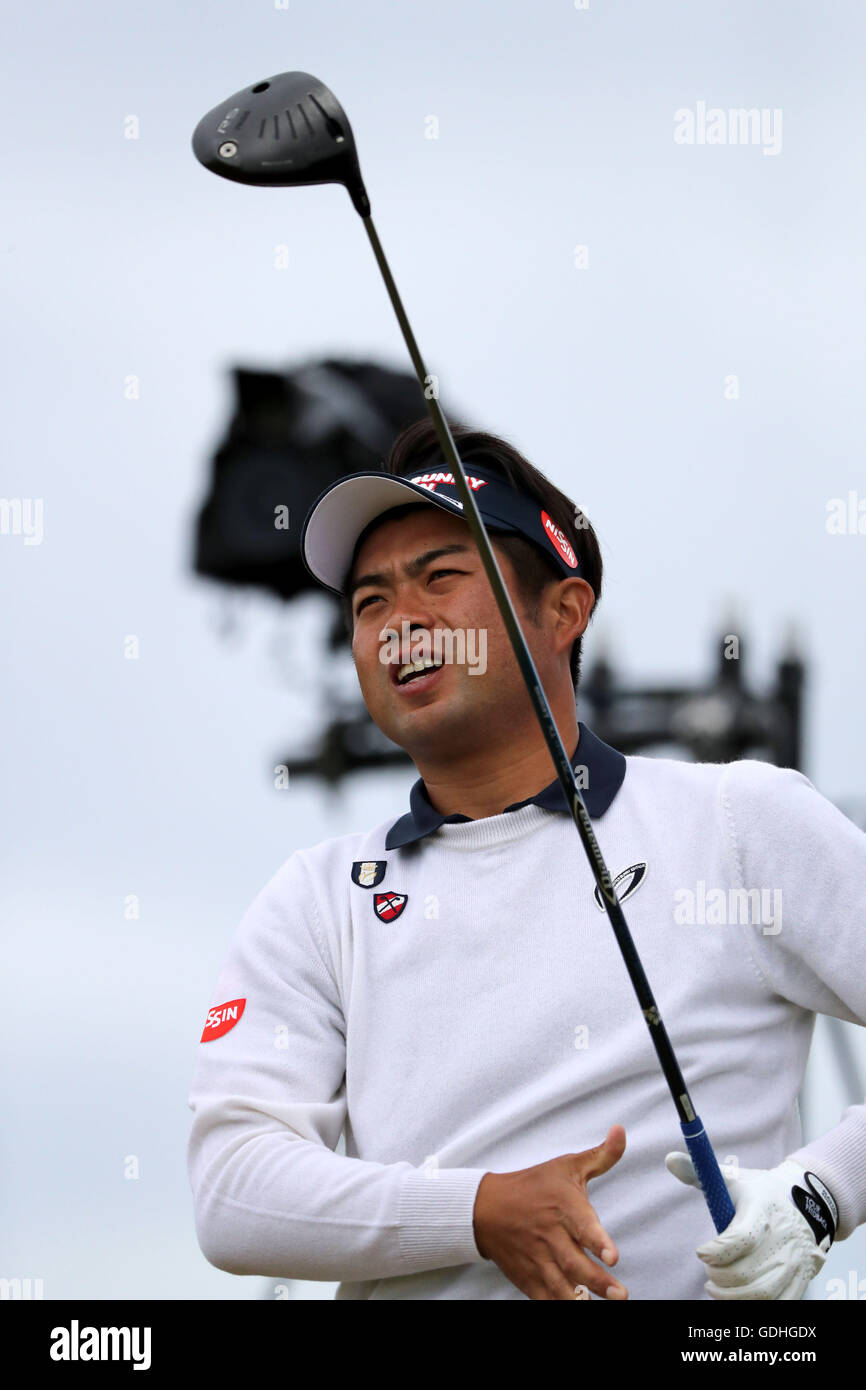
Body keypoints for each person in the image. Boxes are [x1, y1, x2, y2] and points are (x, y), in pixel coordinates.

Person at [186, 417, 866, 1300]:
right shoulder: (317, 899)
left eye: (441, 577)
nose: (400, 622)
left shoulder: (739, 821)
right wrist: (479, 1211)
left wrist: (823, 1190)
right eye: (370, 602)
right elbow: (233, 1192)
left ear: (564, 612)